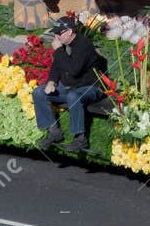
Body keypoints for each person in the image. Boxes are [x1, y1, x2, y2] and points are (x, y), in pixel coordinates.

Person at [32, 17, 104, 152]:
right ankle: (54, 132)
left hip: (91, 87)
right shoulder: (66, 44)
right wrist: (52, 81)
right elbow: (57, 65)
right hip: (72, 87)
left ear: (70, 32)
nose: (56, 37)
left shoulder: (84, 45)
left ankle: (80, 139)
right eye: (55, 33)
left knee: (73, 96)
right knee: (39, 92)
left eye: (59, 33)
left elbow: (73, 69)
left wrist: (59, 50)